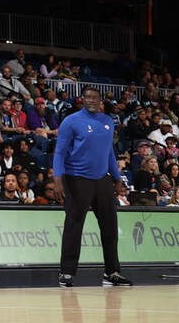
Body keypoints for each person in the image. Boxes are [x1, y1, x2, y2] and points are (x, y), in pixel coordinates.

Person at [54, 86, 131, 289]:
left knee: (110, 226)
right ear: (82, 99)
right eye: (87, 97)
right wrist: (57, 179)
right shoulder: (71, 121)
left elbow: (109, 153)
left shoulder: (107, 121)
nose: (91, 100)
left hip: (102, 179)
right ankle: (66, 273)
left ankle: (111, 272)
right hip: (76, 178)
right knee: (74, 225)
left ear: (100, 101)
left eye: (94, 97)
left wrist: (116, 177)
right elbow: (60, 152)